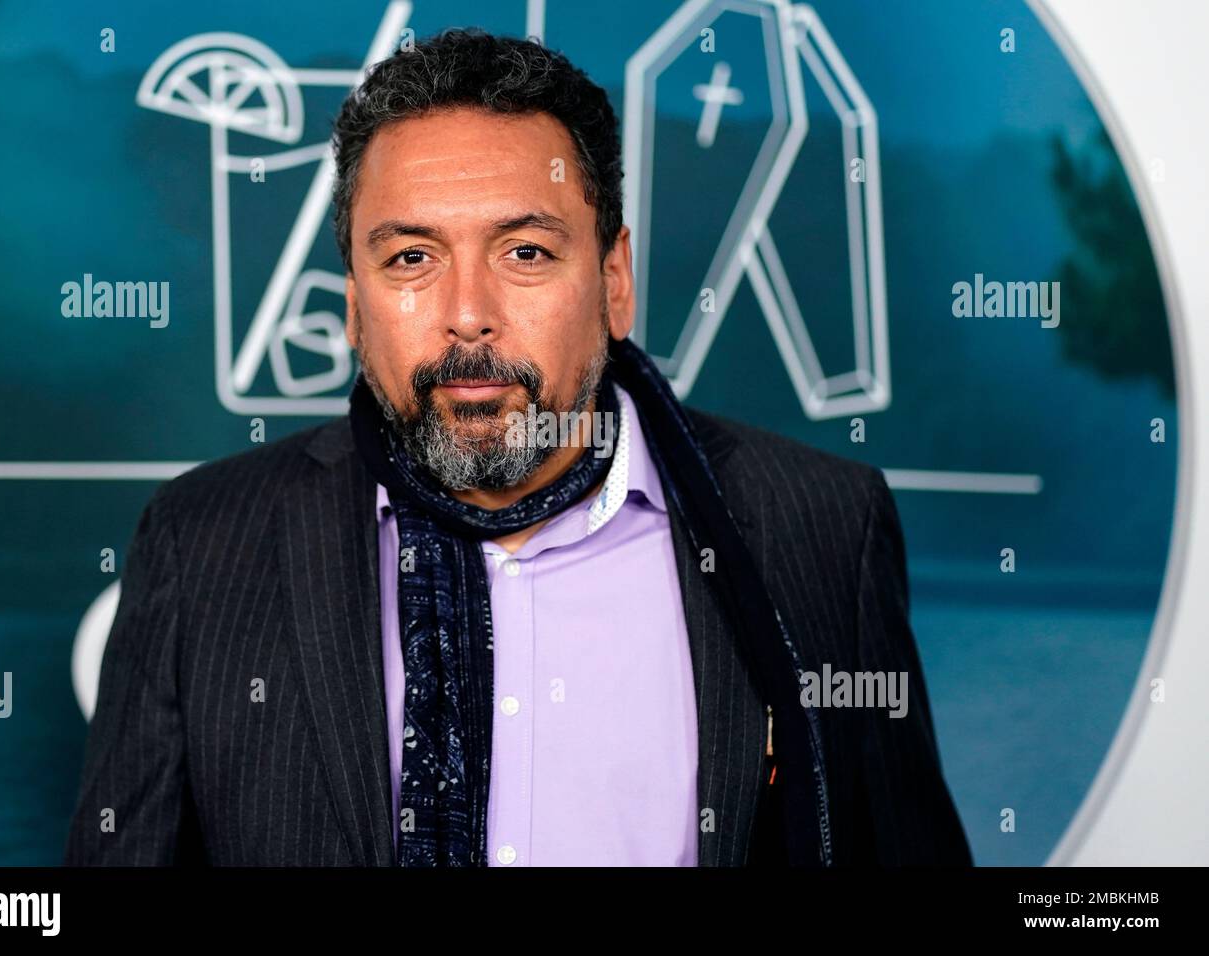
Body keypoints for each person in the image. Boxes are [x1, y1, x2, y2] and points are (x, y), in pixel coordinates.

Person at [65, 28, 971, 867]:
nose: (468, 314)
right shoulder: (202, 543)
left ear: (613, 282)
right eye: (411, 258)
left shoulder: (818, 524)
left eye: (525, 253)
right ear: (351, 302)